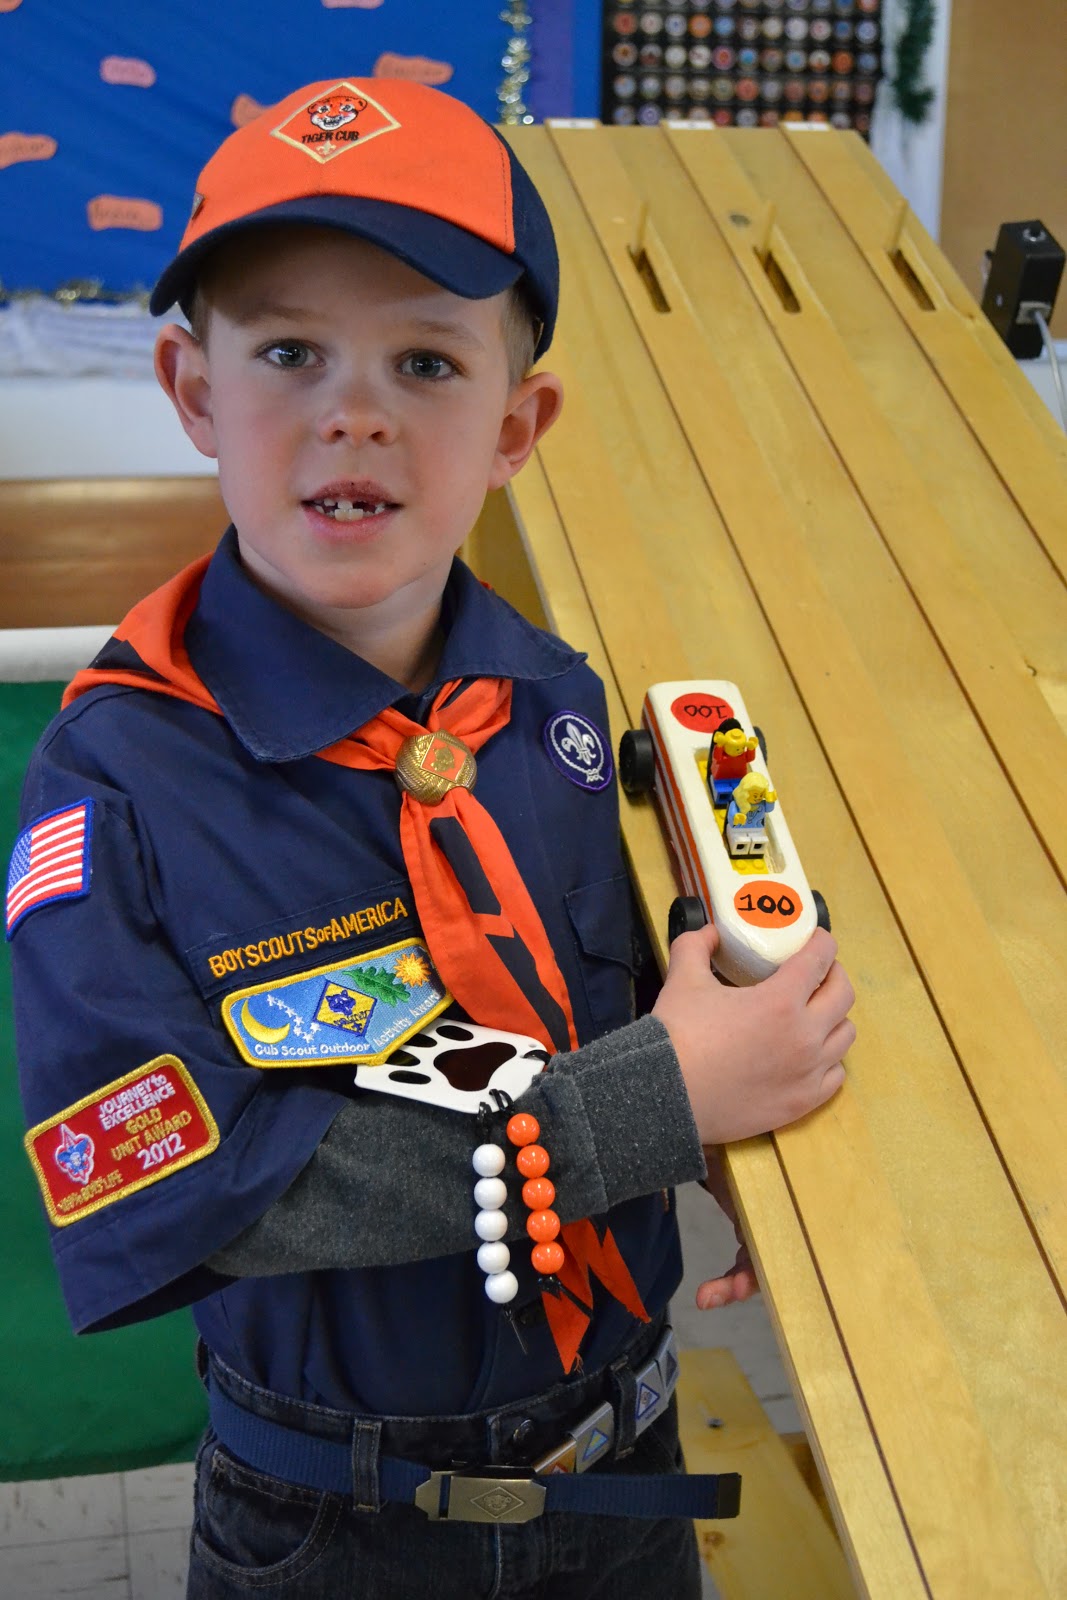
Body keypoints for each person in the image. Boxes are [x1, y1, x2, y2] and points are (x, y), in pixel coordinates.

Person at [7, 78, 855, 1600]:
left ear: (516, 424)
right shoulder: (115, 780)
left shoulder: (551, 700)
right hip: (336, 1522)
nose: (356, 410)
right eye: (287, 352)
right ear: (193, 393)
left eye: (424, 358)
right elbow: (147, 1179)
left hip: (626, 1474)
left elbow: (580, 996)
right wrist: (643, 1113)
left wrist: (714, 1102)